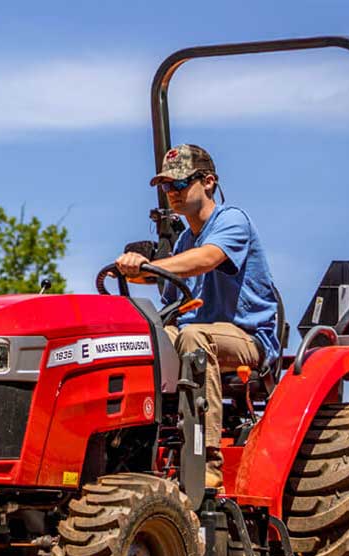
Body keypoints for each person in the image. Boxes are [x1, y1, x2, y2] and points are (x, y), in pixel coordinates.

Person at [115, 144, 280, 490]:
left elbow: (206, 259)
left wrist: (150, 267)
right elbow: (172, 308)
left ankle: (205, 463)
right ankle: (127, 452)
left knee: (193, 339)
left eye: (179, 184)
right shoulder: (183, 242)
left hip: (246, 338)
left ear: (208, 182)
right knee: (144, 343)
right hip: (198, 334)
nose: (172, 193)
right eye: (166, 186)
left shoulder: (232, 221)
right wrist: (138, 275)